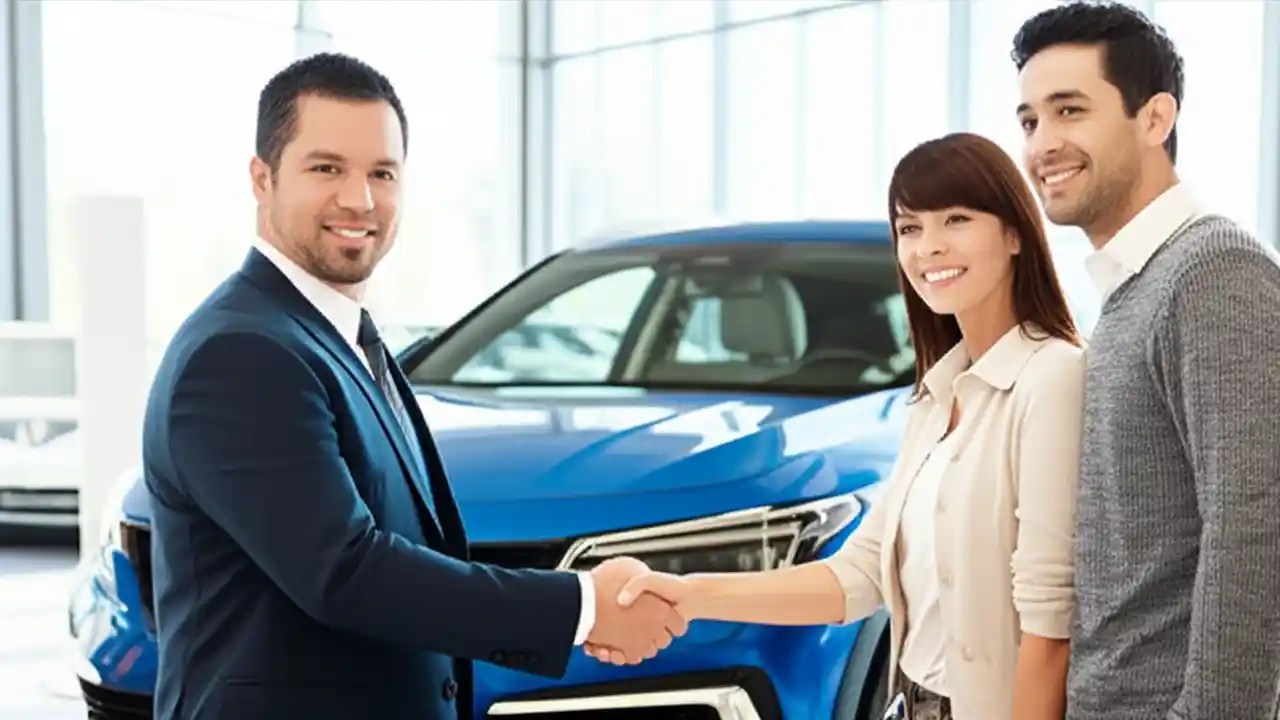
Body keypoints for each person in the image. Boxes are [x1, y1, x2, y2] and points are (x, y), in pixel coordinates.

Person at [140, 52, 685, 720]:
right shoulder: (242, 353)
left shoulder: (340, 336)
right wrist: (582, 608)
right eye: (326, 168)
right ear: (262, 178)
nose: (359, 199)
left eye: (382, 173)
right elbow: (346, 572)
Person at [588, 132, 1086, 720]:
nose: (929, 247)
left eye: (956, 219)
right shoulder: (934, 397)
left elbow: (1050, 623)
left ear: (1014, 234)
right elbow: (858, 575)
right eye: (909, 228)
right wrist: (691, 594)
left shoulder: (1052, 375)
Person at [1010, 3, 1280, 718]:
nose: (1043, 144)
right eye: (1030, 120)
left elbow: (1255, 523)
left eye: (1070, 110)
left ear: (1155, 119)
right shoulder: (1134, 285)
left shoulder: (1213, 271)